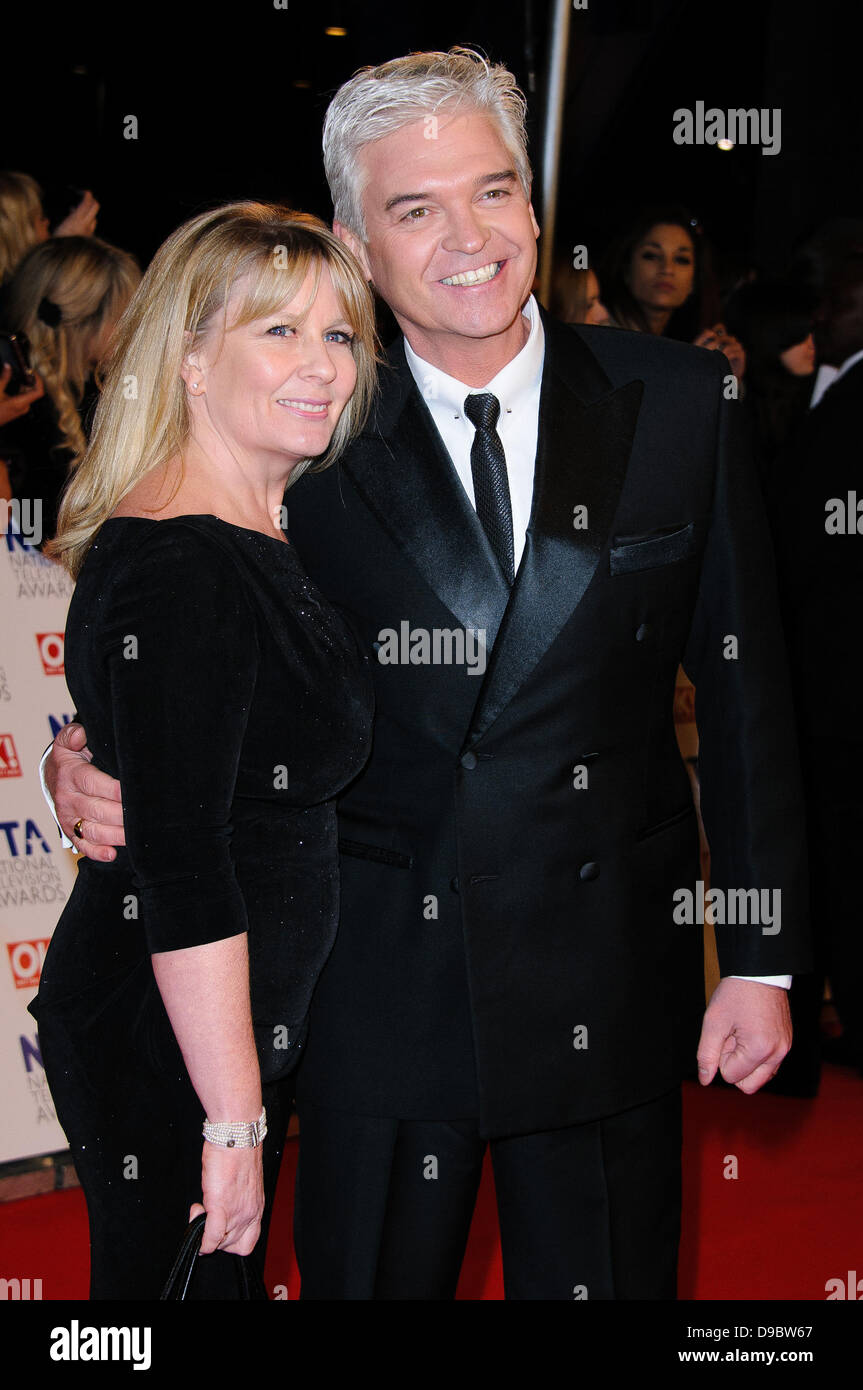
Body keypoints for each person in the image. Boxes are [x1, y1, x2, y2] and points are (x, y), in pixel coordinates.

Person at [45, 49, 810, 1301]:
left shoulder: (679, 398)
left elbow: (743, 692)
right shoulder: (310, 407)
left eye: (493, 192)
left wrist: (765, 958)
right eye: (415, 208)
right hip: (375, 990)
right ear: (353, 235)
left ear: (532, 205)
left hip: (605, 976)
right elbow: (188, 623)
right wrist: (92, 755)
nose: (470, 237)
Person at [31, 201, 376, 1299]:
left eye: (337, 333)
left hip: (203, 1035)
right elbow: (182, 864)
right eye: (277, 330)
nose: (320, 363)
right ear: (185, 358)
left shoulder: (259, 529)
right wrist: (231, 1122)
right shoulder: (186, 563)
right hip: (168, 1039)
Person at [769, 249, 863, 1084]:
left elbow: (816, 539)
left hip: (834, 670)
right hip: (822, 665)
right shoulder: (818, 387)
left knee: (830, 843)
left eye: (842, 300)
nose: (824, 315)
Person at [0, 235, 140, 546]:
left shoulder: (82, 391)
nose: (131, 332)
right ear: (80, 322)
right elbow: (39, 529)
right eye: (122, 318)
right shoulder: (23, 407)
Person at [602, 204, 746, 381]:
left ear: (694, 280)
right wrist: (687, 371)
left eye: (681, 259)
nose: (667, 269)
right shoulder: (602, 335)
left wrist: (728, 379)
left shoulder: (680, 340)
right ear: (626, 269)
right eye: (652, 255)